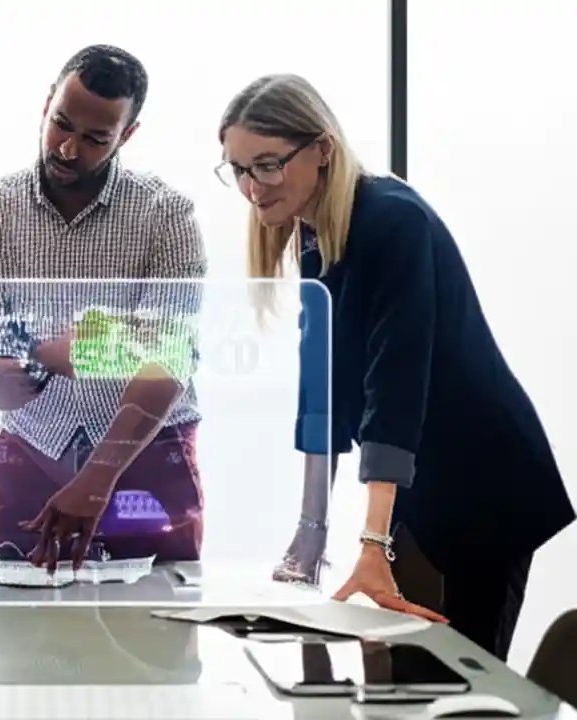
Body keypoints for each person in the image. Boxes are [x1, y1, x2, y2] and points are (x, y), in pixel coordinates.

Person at [215, 73, 575, 660]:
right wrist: (311, 534)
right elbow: (322, 393)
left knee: (457, 681)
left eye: (267, 164)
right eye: (238, 169)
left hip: (485, 480)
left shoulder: (391, 219)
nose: (253, 187)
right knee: (404, 673)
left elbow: (396, 384)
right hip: (420, 481)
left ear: (322, 149)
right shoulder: (313, 234)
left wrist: (372, 541)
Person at [0, 44, 207, 572]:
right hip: (29, 452)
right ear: (47, 103)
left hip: (148, 452)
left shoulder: (168, 216)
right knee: (25, 642)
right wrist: (45, 358)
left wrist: (97, 478)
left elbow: (167, 360)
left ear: (127, 135)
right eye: (60, 124)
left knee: (156, 638)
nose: (69, 149)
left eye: (96, 139)